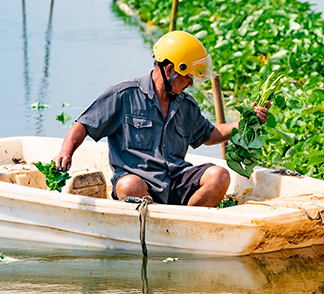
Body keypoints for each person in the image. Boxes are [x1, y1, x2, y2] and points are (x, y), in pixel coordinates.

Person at [52, 31, 269, 207]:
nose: (190, 84)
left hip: (176, 179)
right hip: (138, 182)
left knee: (219, 176)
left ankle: (187, 225)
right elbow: (83, 125)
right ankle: (158, 224)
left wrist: (244, 123)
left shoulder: (186, 104)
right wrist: (65, 152)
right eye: (187, 77)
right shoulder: (123, 95)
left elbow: (210, 135)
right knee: (129, 186)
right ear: (169, 70)